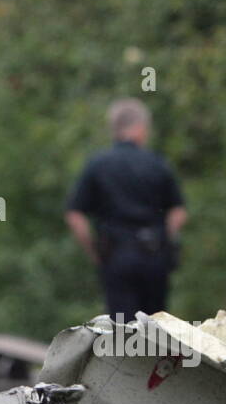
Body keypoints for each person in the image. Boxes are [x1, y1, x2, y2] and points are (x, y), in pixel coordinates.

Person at [65, 99, 188, 326]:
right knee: (156, 328)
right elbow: (178, 211)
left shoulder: (98, 164)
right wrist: (163, 239)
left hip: (117, 255)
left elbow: (75, 214)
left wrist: (94, 249)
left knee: (122, 329)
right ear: (141, 128)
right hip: (154, 255)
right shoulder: (157, 163)